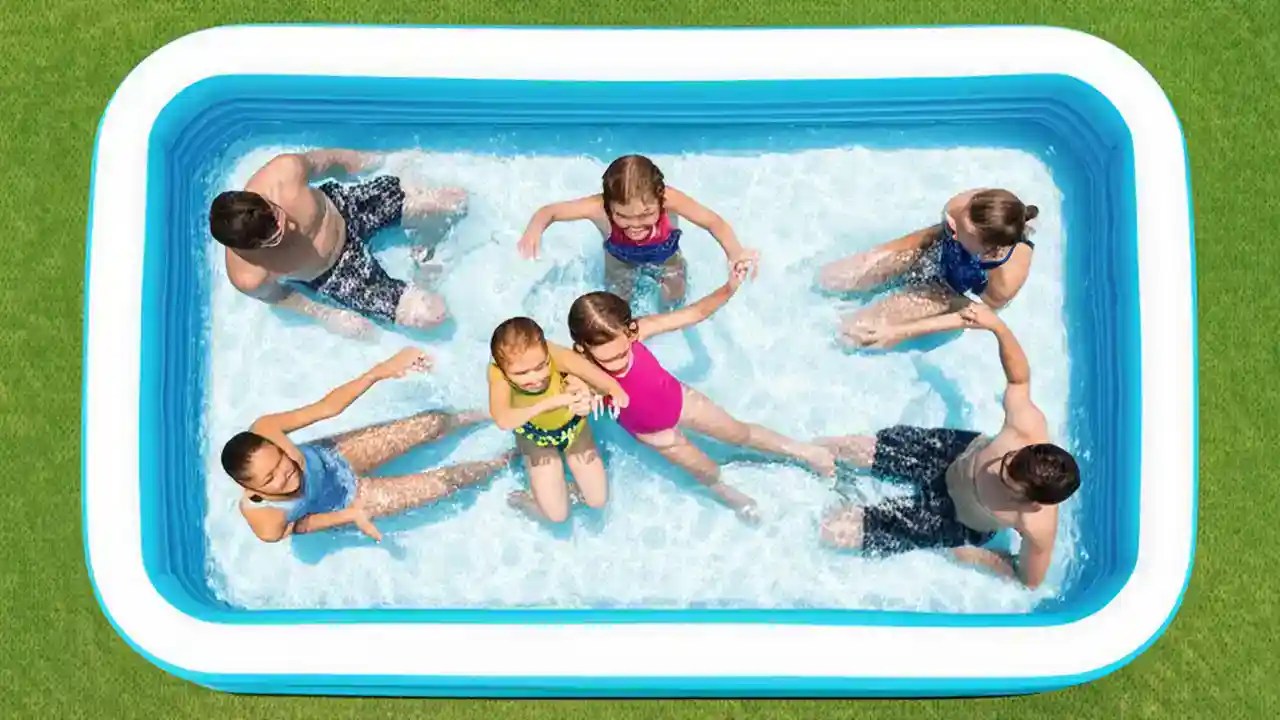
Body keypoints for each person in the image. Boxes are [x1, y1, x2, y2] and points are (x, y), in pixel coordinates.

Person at [816, 304, 1080, 589]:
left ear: (1030, 500)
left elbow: (1028, 580)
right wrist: (998, 328)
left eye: (1005, 479)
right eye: (1007, 459)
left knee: (833, 533)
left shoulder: (1035, 525)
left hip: (951, 519)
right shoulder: (1024, 428)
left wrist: (977, 557)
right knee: (839, 449)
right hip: (949, 455)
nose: (995, 467)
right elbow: (1019, 379)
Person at [566, 259, 835, 524]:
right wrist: (581, 399)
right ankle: (739, 500)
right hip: (656, 434)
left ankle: (805, 452)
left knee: (739, 433)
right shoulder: (583, 371)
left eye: (623, 352)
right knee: (706, 472)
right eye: (608, 360)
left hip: (680, 400)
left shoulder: (640, 330)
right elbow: (574, 391)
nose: (619, 362)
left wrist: (730, 287)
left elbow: (693, 314)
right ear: (583, 350)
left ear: (631, 330)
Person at [221, 347, 511, 543]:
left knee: (430, 424)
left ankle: (487, 413)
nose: (285, 472)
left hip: (334, 455)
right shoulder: (266, 520)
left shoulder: (265, 430)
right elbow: (299, 525)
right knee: (443, 483)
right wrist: (348, 515)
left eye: (281, 458)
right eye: (270, 478)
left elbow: (327, 407)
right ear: (253, 489)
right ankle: (507, 459)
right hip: (346, 500)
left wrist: (379, 371)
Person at [208, 149, 468, 338]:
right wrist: (327, 316)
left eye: (279, 215)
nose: (291, 227)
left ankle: (424, 243)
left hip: (347, 209)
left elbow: (332, 160)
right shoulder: (248, 275)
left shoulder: (284, 172)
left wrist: (376, 162)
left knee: (454, 202)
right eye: (275, 238)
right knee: (431, 314)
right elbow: (279, 297)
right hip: (337, 274)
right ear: (252, 247)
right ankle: (420, 265)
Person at [516, 154, 760, 308]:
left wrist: (735, 252)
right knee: (618, 304)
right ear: (609, 204)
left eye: (646, 215)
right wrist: (534, 229)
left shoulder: (670, 199)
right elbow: (551, 211)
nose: (635, 225)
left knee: (675, 296)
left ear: (660, 198)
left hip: (666, 257)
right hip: (619, 261)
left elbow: (712, 222)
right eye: (622, 216)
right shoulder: (596, 208)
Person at [817, 188, 1038, 350]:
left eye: (959, 231)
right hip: (934, 249)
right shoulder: (962, 208)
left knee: (854, 333)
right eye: (954, 223)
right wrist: (880, 255)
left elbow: (974, 314)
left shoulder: (1004, 280)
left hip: (949, 292)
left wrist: (899, 332)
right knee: (830, 278)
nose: (951, 225)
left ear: (988, 249)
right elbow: (930, 236)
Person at [486, 316, 630, 523]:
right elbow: (503, 420)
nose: (535, 377)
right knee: (557, 516)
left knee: (598, 501)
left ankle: (563, 488)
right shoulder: (497, 374)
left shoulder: (553, 353)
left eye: (541, 366)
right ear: (503, 369)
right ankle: (527, 500)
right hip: (535, 439)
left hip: (574, 430)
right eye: (522, 373)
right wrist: (550, 403)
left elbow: (609, 385)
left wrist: (593, 394)